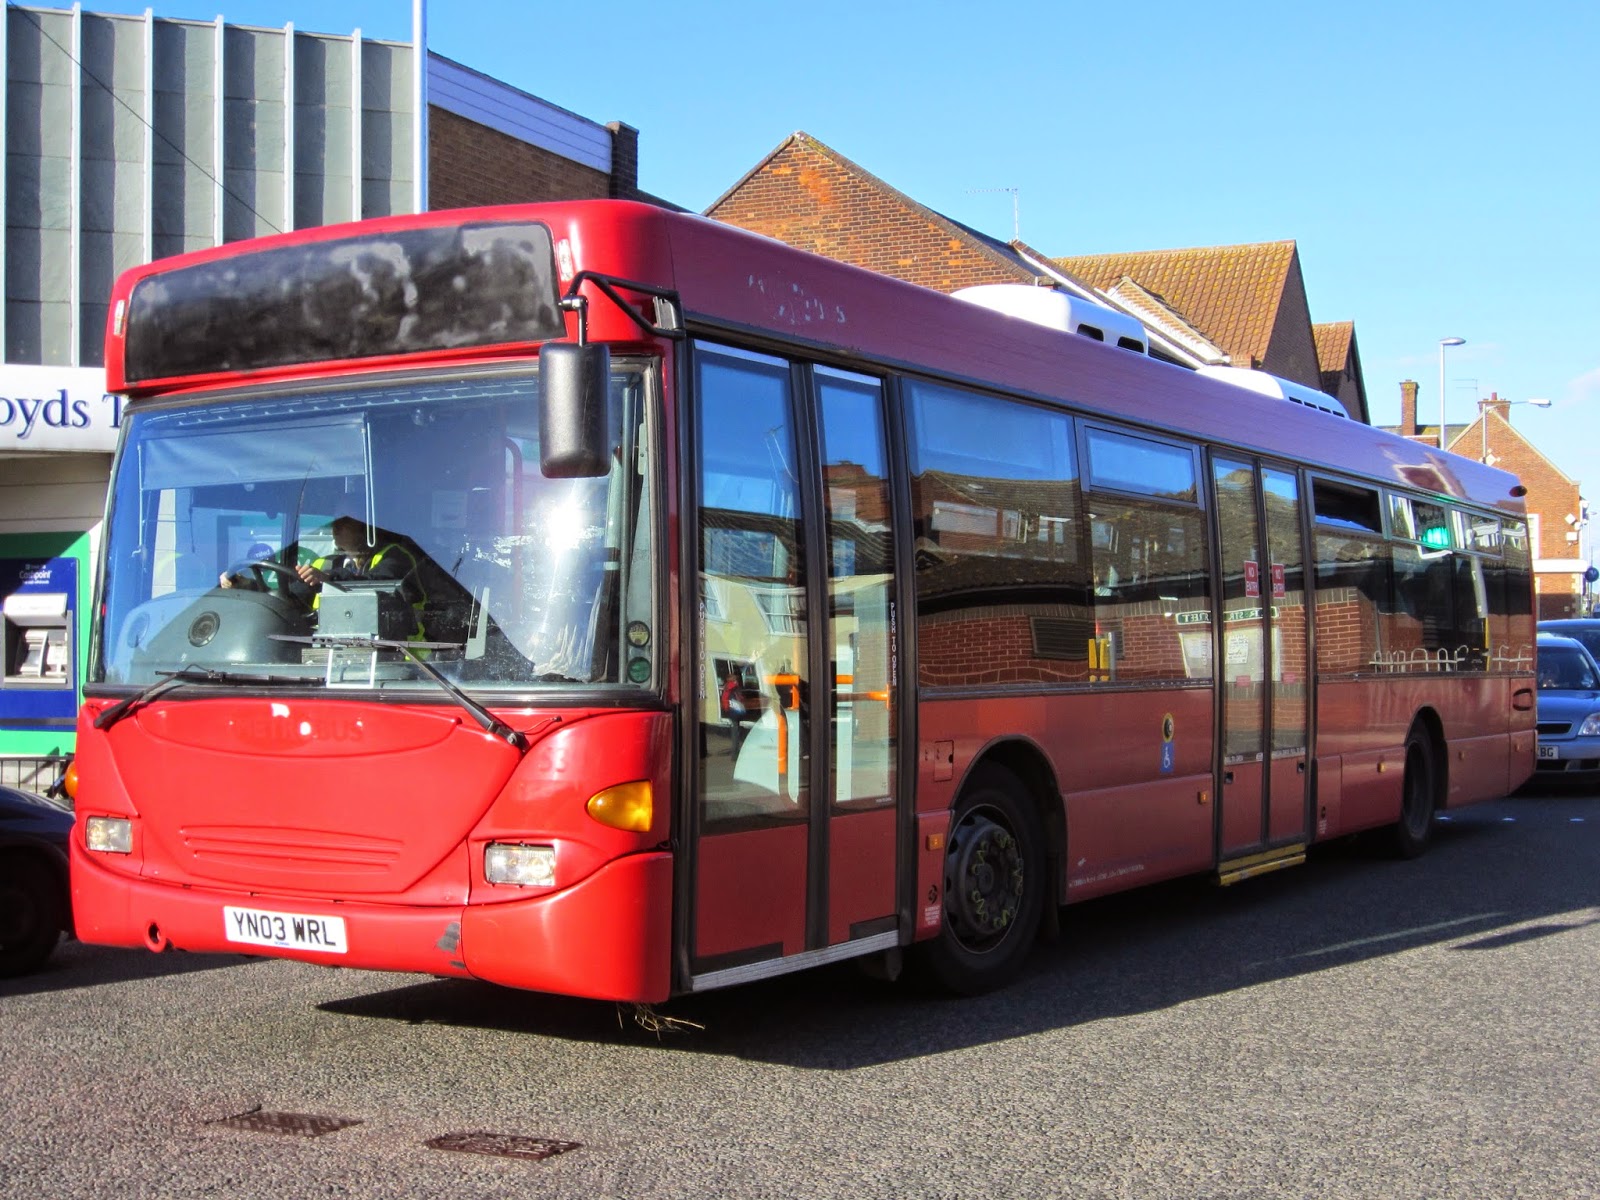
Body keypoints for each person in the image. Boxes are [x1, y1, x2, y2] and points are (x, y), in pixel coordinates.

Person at [297, 516, 428, 639]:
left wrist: (330, 579)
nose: (336, 527)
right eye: (335, 521)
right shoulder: (322, 564)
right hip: (328, 653)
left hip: (403, 655)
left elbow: (370, 585)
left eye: (344, 521)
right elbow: (293, 601)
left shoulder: (395, 557)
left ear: (366, 525)